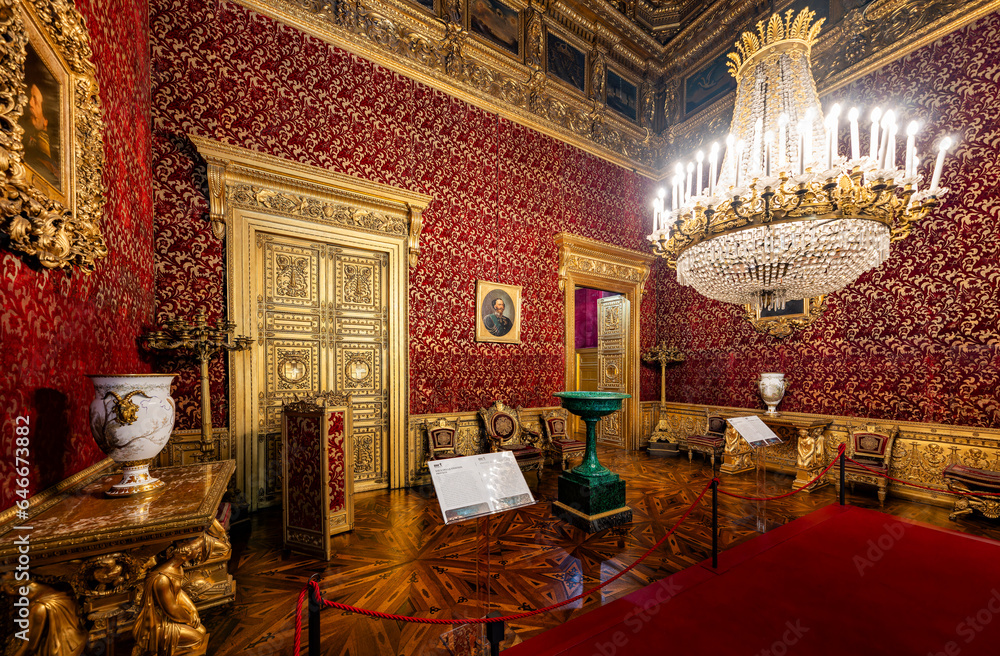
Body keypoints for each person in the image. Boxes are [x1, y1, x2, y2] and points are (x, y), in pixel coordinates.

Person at [21, 82, 60, 186]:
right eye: (29, 97)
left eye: (36, 101)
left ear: (45, 121)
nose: (30, 103)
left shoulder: (58, 158)